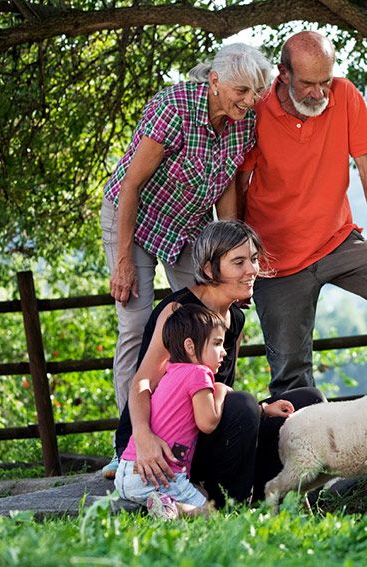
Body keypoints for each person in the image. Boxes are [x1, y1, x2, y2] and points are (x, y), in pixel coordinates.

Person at [100, 43, 273, 440]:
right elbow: (131, 187)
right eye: (242, 91)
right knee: (137, 322)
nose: (249, 101)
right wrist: (124, 261)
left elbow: (228, 184)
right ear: (215, 81)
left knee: (207, 313)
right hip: (135, 218)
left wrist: (233, 258)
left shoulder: (243, 122)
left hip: (187, 225)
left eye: (255, 93)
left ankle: (196, 428)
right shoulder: (174, 107)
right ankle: (130, 439)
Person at [234, 30, 367, 395]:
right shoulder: (255, 112)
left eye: (325, 82)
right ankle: (306, 444)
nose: (319, 94)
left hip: (337, 243)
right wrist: (237, 254)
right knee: (290, 371)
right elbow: (238, 183)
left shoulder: (345, 95)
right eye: (308, 84)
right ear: (283, 74)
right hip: (275, 259)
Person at [113, 220, 325, 506]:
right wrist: (143, 437)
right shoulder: (180, 313)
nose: (251, 270)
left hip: (202, 427)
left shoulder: (234, 317)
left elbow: (215, 391)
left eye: (252, 259)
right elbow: (142, 382)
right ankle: (230, 505)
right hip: (165, 443)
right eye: (238, 262)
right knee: (244, 404)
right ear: (211, 269)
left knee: (307, 401)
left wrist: (263, 411)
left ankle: (275, 498)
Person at [115, 303, 232, 519]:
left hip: (127, 471)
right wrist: (221, 392)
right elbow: (208, 422)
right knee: (212, 515)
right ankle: (171, 507)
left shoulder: (171, 371)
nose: (224, 352)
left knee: (199, 494)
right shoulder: (199, 373)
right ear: (190, 346)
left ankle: (161, 502)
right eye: (217, 344)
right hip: (158, 475)